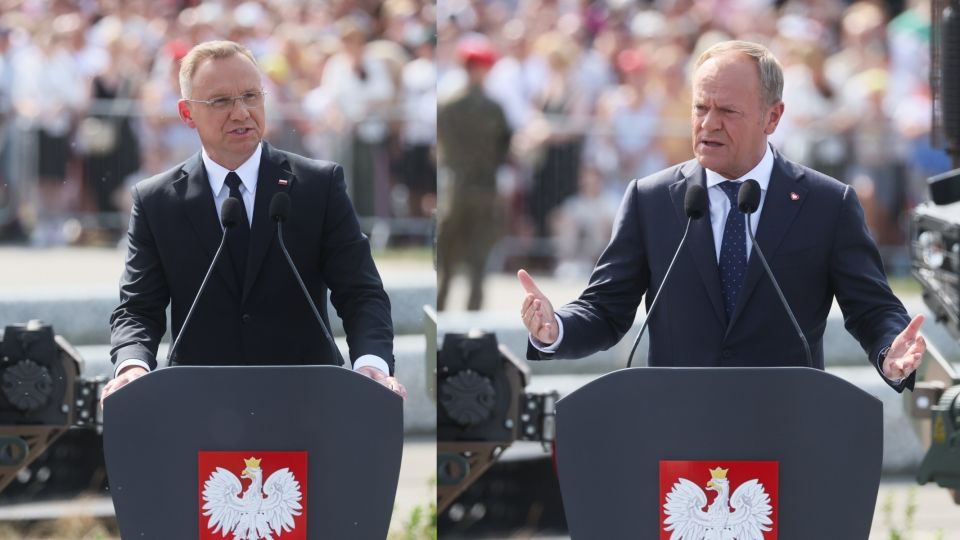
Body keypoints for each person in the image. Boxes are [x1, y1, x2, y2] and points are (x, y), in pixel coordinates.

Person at [518, 40, 925, 392]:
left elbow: (871, 309)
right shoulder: (652, 199)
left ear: (773, 117)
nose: (709, 124)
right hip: (682, 438)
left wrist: (891, 349)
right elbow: (606, 309)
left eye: (728, 111)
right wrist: (557, 328)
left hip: (784, 431)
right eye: (700, 107)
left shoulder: (827, 204)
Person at [101, 40, 405, 403]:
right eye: (221, 101)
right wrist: (133, 365)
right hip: (199, 406)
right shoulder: (156, 201)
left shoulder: (318, 185)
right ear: (186, 114)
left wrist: (371, 362)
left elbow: (361, 292)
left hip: (307, 403)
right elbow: (137, 308)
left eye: (250, 96)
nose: (241, 112)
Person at [436, 38, 511, 311]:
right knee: (478, 255)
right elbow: (504, 148)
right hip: (484, 187)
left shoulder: (446, 104)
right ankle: (473, 319)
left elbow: (442, 144)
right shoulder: (494, 107)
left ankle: (440, 307)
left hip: (454, 186)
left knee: (447, 255)